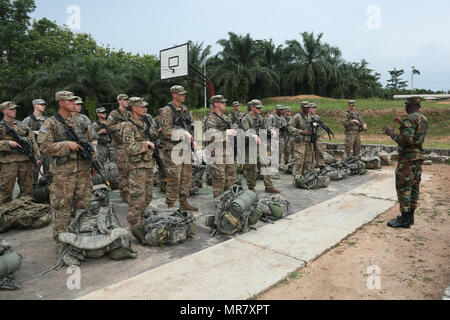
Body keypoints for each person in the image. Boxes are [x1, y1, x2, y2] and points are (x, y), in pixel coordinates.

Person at [37, 91, 95, 254]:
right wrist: (67, 145)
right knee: (62, 208)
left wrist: (93, 160)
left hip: (83, 171)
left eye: (73, 100)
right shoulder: (51, 123)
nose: (72, 102)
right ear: (61, 103)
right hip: (63, 174)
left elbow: (89, 143)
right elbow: (45, 147)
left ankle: (82, 238)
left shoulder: (80, 121)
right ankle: (62, 244)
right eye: (69, 100)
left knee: (83, 206)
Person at [382, 97, 428, 229]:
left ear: (410, 105)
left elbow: (406, 139)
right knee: (414, 186)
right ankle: (410, 216)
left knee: (404, 187)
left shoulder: (410, 119)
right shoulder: (423, 119)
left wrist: (392, 134)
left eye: (406, 105)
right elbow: (414, 135)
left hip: (407, 159)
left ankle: (404, 220)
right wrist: (401, 123)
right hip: (418, 157)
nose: (405, 107)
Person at [122, 97, 157, 243]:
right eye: (142, 107)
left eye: (145, 107)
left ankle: (142, 220)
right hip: (137, 168)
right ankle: (134, 225)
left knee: (148, 196)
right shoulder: (129, 126)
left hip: (148, 165)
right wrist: (145, 144)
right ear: (134, 108)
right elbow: (129, 148)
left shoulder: (145, 123)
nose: (145, 109)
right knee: (137, 197)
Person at [159, 85, 198, 211]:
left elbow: (190, 125)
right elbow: (166, 131)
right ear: (174, 95)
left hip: (186, 148)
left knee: (187, 177)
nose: (183, 96)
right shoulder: (167, 110)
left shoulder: (185, 109)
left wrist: (193, 139)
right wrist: (182, 134)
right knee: (174, 178)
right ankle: (171, 205)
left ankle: (183, 201)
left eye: (184, 94)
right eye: (180, 94)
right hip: (173, 149)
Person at [0, 101, 41, 205]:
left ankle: (25, 212)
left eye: (15, 109)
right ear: (4, 111)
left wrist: (37, 155)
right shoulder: (1, 126)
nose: (14, 111)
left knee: (27, 190)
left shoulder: (22, 125)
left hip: (25, 161)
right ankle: (4, 215)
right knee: (5, 191)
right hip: (8, 163)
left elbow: (32, 140)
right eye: (11, 109)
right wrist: (7, 143)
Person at [240, 99, 280, 194]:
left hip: (260, 145)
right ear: (252, 107)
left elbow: (265, 128)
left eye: (260, 108)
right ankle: (251, 187)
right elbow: (245, 130)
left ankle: (269, 186)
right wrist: (252, 135)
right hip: (249, 146)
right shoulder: (246, 118)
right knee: (252, 167)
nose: (260, 110)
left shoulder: (260, 118)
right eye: (258, 108)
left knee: (265, 164)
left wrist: (271, 131)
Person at [204, 95, 237, 202]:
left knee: (231, 178)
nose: (225, 104)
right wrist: (226, 133)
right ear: (216, 104)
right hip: (217, 154)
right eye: (223, 103)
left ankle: (229, 200)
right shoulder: (211, 119)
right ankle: (218, 202)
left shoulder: (225, 117)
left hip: (228, 152)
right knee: (219, 179)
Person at [105, 94, 130, 203]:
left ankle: (130, 191)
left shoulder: (129, 113)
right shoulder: (114, 114)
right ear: (119, 101)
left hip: (130, 145)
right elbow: (107, 127)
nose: (126, 101)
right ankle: (124, 193)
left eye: (127, 100)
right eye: (124, 100)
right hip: (120, 146)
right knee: (123, 170)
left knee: (131, 169)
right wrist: (120, 126)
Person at [22, 99, 50, 184]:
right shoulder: (28, 120)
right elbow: (22, 135)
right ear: (35, 105)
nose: (44, 106)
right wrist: (34, 132)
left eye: (44, 105)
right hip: (35, 151)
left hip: (47, 150)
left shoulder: (47, 120)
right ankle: (33, 193)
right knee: (33, 174)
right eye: (41, 104)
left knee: (49, 174)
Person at [288, 102, 314, 177]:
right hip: (300, 143)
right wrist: (300, 131)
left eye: (308, 107)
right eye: (306, 107)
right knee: (299, 161)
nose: (308, 109)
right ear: (302, 108)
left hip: (309, 142)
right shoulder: (297, 116)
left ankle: (306, 176)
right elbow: (290, 128)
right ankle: (297, 177)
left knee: (308, 161)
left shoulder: (310, 117)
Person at [309, 103, 326, 168]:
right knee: (311, 152)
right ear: (309, 109)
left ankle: (321, 164)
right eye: (312, 108)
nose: (313, 109)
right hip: (309, 136)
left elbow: (320, 127)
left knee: (319, 150)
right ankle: (311, 165)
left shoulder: (317, 117)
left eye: (315, 108)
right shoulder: (307, 116)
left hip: (316, 136)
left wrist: (320, 136)